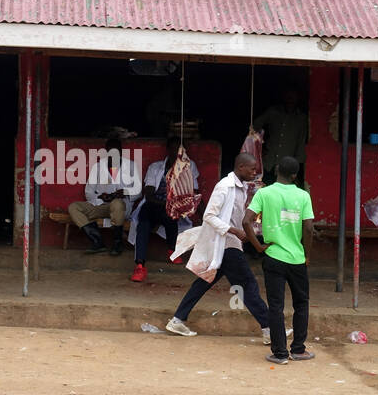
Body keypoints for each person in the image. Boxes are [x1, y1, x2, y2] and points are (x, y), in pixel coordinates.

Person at [165, 153, 273, 340]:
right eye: (252, 169)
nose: (255, 172)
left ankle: (177, 320)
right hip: (225, 244)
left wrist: (242, 231)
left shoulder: (241, 188)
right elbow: (209, 216)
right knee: (248, 285)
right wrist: (233, 231)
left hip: (228, 243)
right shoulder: (224, 186)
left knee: (203, 283)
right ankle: (269, 329)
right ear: (240, 167)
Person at [244, 156, 315, 364]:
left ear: (276, 171)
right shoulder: (303, 196)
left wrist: (257, 247)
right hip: (297, 259)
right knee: (301, 303)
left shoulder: (264, 193)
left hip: (273, 255)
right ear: (295, 175)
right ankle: (298, 350)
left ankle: (280, 353)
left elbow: (246, 220)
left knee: (275, 305)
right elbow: (309, 228)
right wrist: (307, 255)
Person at [129, 136, 200, 282]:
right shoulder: (155, 167)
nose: (179, 152)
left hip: (173, 209)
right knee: (143, 224)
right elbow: (148, 194)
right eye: (175, 148)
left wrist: (203, 213)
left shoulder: (189, 165)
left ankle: (172, 250)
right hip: (153, 205)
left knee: (170, 214)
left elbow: (192, 192)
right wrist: (167, 204)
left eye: (182, 149)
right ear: (168, 150)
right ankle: (140, 266)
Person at [69, 137, 141, 255]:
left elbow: (138, 191)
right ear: (106, 152)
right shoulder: (98, 167)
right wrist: (100, 197)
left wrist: (125, 192)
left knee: (117, 203)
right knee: (74, 207)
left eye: (117, 151)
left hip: (121, 208)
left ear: (121, 151)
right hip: (101, 205)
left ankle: (118, 243)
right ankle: (97, 241)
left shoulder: (131, 166)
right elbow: (89, 191)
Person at [253, 87, 308, 185]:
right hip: (268, 163)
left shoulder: (301, 118)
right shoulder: (273, 112)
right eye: (288, 95)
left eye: (293, 95)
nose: (290, 98)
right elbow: (255, 126)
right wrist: (260, 147)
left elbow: (301, 144)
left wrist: (296, 169)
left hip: (286, 167)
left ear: (298, 98)